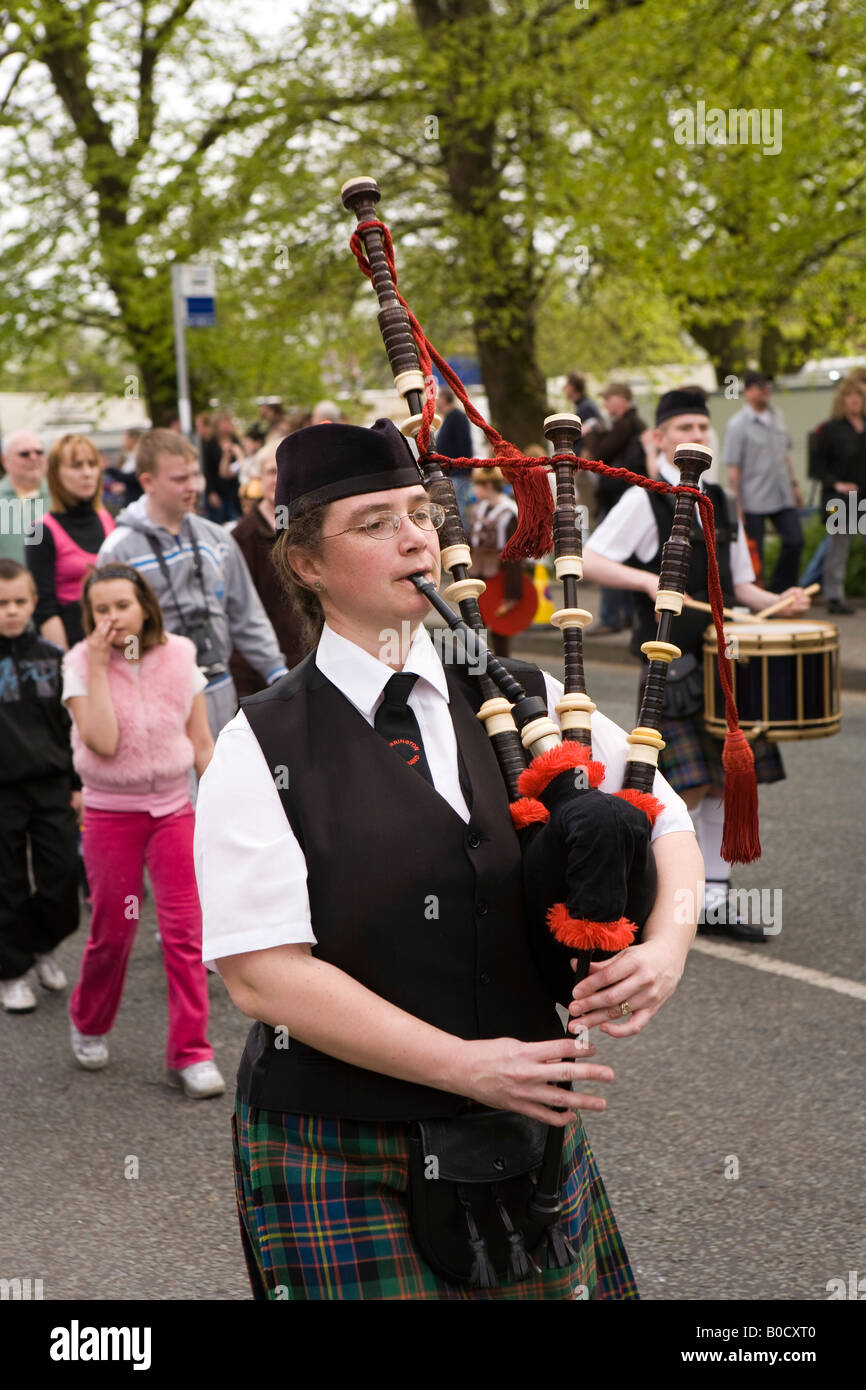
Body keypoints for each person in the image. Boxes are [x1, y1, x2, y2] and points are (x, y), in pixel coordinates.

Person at [194, 417, 703, 1301]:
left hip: (518, 1131)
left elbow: (663, 818)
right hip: (338, 1141)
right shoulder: (260, 741)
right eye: (374, 522)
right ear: (307, 565)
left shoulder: (527, 694)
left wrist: (667, 947)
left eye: (419, 512)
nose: (414, 535)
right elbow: (263, 976)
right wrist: (463, 1064)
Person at [582, 388, 811, 941]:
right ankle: (652, 897)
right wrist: (647, 581)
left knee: (724, 784)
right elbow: (588, 559)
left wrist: (780, 599)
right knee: (680, 788)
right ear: (657, 438)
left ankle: (713, 900)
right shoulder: (647, 498)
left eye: (703, 428)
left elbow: (739, 586)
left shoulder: (722, 503)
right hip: (670, 663)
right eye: (683, 427)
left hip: (724, 663)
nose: (697, 436)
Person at [62, 563, 223, 1097]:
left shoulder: (179, 654)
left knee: (185, 934)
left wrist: (225, 803)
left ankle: (191, 1053)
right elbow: (103, 742)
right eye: (100, 609)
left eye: (121, 606)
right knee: (115, 930)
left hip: (174, 809)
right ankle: (88, 1021)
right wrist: (101, 662)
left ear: (145, 606)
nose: (112, 618)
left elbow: (200, 741)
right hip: (111, 813)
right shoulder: (80, 661)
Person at [97, 429, 288, 737]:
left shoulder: (217, 539)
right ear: (147, 482)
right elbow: (108, 634)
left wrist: (276, 673)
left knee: (222, 781)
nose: (192, 487)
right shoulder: (118, 550)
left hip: (219, 689)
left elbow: (246, 614)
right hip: (155, 697)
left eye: (194, 476)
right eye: (179, 479)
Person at [0, 559, 80, 1013]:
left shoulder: (53, 659)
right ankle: (10, 971)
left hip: (51, 786)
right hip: (3, 791)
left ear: (33, 602)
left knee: (62, 876)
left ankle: (40, 944)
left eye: (19, 602)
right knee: (7, 882)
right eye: (1, 603)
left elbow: (69, 727)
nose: (11, 611)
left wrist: (77, 784)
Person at [25, 433, 116, 650]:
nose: (87, 473)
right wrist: (66, 666)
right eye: (76, 466)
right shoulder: (41, 531)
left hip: (115, 639)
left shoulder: (106, 518)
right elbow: (44, 609)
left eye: (92, 464)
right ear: (56, 474)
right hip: (74, 642)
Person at [229, 447, 305, 697]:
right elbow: (239, 612)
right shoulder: (241, 538)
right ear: (258, 478)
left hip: (307, 657)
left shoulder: (306, 528)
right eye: (272, 471)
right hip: (260, 672)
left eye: (285, 471)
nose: (278, 479)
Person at [721, 372, 804, 592]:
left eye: (767, 384)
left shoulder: (778, 416)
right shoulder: (737, 425)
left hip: (782, 493)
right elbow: (733, 469)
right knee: (753, 552)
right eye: (759, 386)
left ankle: (780, 591)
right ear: (747, 392)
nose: (765, 389)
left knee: (795, 540)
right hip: (753, 498)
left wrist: (795, 486)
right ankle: (756, 596)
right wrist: (736, 504)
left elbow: (785, 456)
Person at [585, 384, 647, 635]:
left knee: (606, 554)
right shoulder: (635, 425)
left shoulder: (625, 425)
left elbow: (599, 454)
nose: (607, 405)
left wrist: (591, 433)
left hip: (619, 497)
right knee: (629, 558)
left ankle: (611, 617)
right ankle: (628, 616)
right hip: (627, 496)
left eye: (609, 399)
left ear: (622, 399)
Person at [813, 376, 866, 615]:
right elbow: (817, 468)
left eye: (859, 396)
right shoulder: (830, 429)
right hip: (841, 499)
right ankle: (834, 597)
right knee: (838, 549)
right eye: (850, 396)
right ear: (841, 400)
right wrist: (838, 484)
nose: (854, 401)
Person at [467, 466, 524, 658]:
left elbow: (514, 555)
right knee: (473, 626)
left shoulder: (508, 512)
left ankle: (504, 671)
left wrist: (512, 593)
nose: (474, 489)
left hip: (499, 574)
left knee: (500, 627)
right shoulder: (478, 508)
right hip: (476, 573)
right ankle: (476, 672)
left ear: (489, 485)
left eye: (477, 485)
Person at [0, 431, 50, 565]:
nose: (33, 458)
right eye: (24, 454)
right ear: (5, 461)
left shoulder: (62, 497)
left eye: (39, 452)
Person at [435, 386, 475, 523]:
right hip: (450, 474)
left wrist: (466, 469)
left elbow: (465, 443)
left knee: (459, 510)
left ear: (445, 398)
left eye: (438, 398)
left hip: (459, 474)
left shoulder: (457, 417)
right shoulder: (447, 419)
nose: (435, 402)